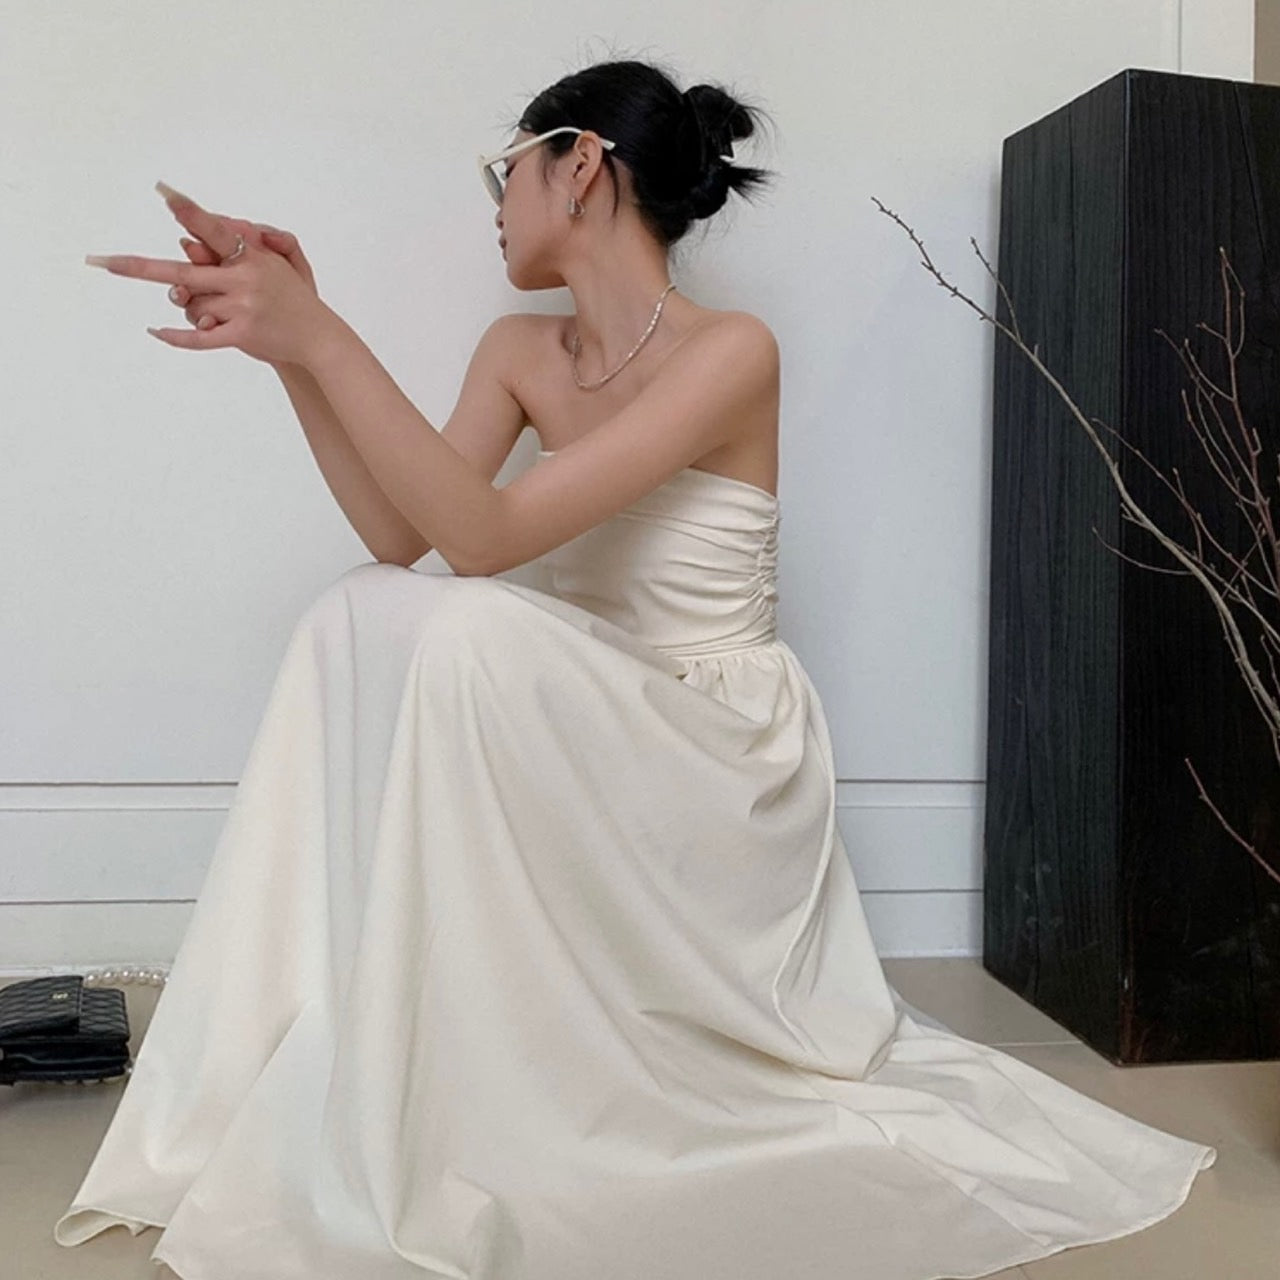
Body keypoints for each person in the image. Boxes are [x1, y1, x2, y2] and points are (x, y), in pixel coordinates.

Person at [59, 57, 1215, 1280]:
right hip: (590, 717)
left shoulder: (732, 353)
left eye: (506, 170)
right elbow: (400, 534)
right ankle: (304, 1028)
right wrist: (291, 349)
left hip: (712, 750)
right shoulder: (520, 352)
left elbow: (486, 539)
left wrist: (326, 335)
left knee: (463, 625)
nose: (494, 203)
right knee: (355, 608)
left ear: (580, 165)